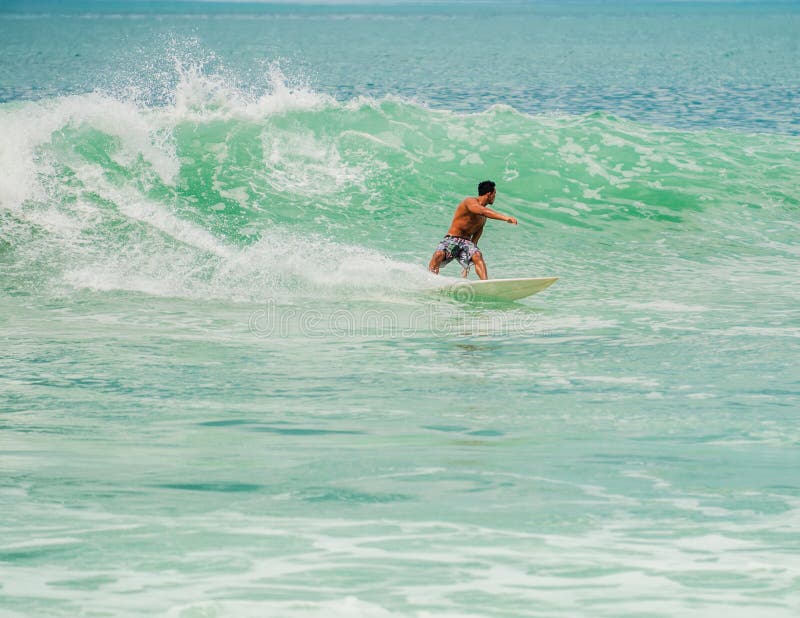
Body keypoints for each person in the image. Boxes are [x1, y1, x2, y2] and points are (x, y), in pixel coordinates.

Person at [428, 180, 518, 280]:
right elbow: (483, 211)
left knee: (477, 255)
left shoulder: (483, 218)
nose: (495, 197)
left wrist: (466, 264)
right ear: (489, 194)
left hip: (467, 243)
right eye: (494, 194)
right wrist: (506, 218)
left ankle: (485, 283)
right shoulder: (470, 202)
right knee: (438, 254)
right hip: (452, 238)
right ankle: (430, 279)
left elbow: (474, 241)